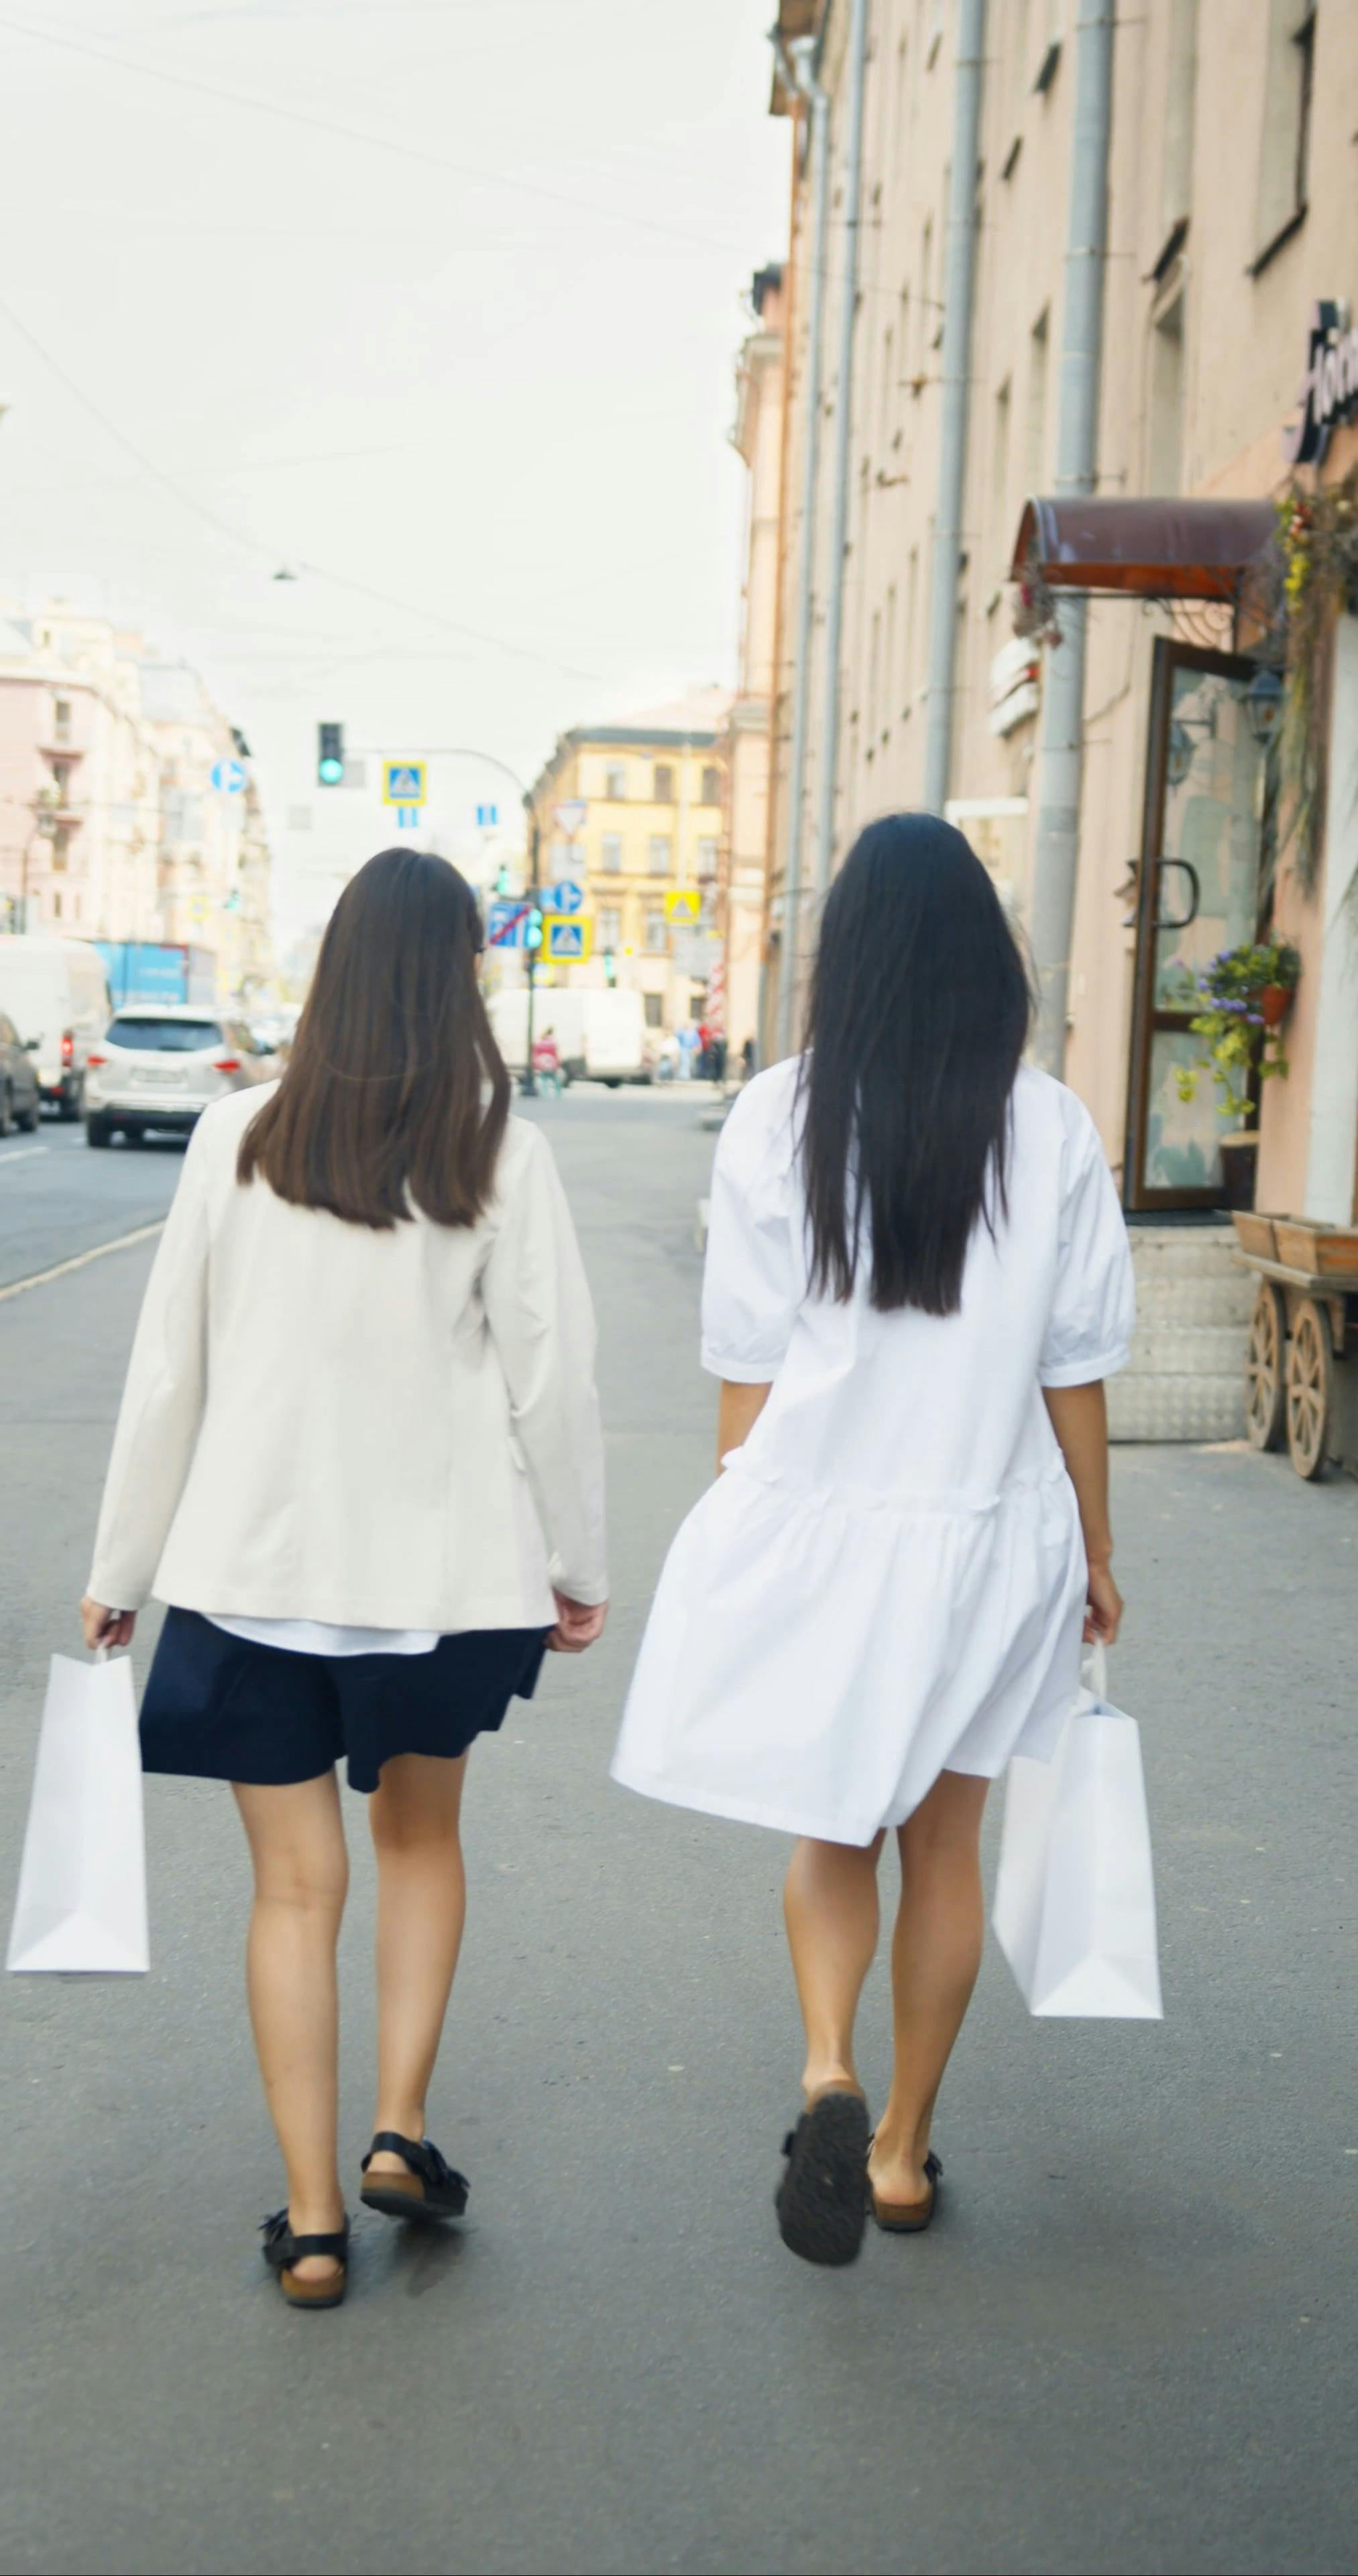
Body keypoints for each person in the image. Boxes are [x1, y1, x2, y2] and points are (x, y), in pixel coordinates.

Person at [82, 849, 608, 2310]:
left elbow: (166, 1373)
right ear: (457, 975)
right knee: (420, 1847)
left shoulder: (237, 1136)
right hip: (443, 1584)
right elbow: (550, 1382)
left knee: (292, 1891)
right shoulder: (499, 1143)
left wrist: (123, 1565)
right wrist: (578, 1565)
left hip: (253, 1572)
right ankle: (399, 2130)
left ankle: (314, 2222)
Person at [612, 814, 1133, 2268]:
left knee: (831, 1818)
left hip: (829, 1525)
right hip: (988, 1525)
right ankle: (899, 2152)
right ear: (987, 964)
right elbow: (1074, 1366)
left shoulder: (777, 1114)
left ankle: (824, 2069)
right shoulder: (1050, 1124)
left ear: (848, 960)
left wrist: (740, 1510)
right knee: (946, 1844)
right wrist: (1096, 1550)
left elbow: (746, 1358)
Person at [532, 1024, 563, 1097]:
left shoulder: (539, 1042)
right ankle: (558, 1093)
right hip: (551, 1064)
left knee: (544, 1080)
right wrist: (558, 1064)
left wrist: (536, 1064)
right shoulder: (553, 1042)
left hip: (542, 1064)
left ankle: (545, 1093)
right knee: (556, 1080)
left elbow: (536, 1054)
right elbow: (556, 1054)